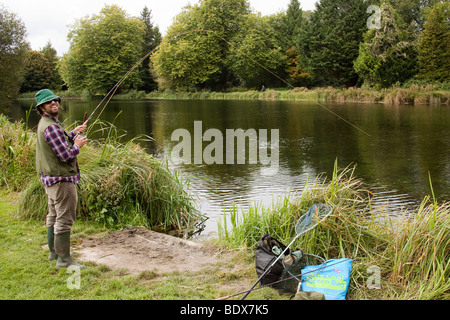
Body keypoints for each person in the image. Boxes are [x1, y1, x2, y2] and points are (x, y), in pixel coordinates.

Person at [35, 89, 87, 268]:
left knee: (53, 215)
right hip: (61, 181)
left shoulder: (46, 123)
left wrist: (73, 133)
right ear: (41, 107)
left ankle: (54, 253)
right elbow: (66, 156)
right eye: (49, 102)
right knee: (64, 219)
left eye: (55, 100)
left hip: (50, 180)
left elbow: (58, 143)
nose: (54, 103)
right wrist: (78, 145)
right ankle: (64, 260)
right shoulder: (50, 127)